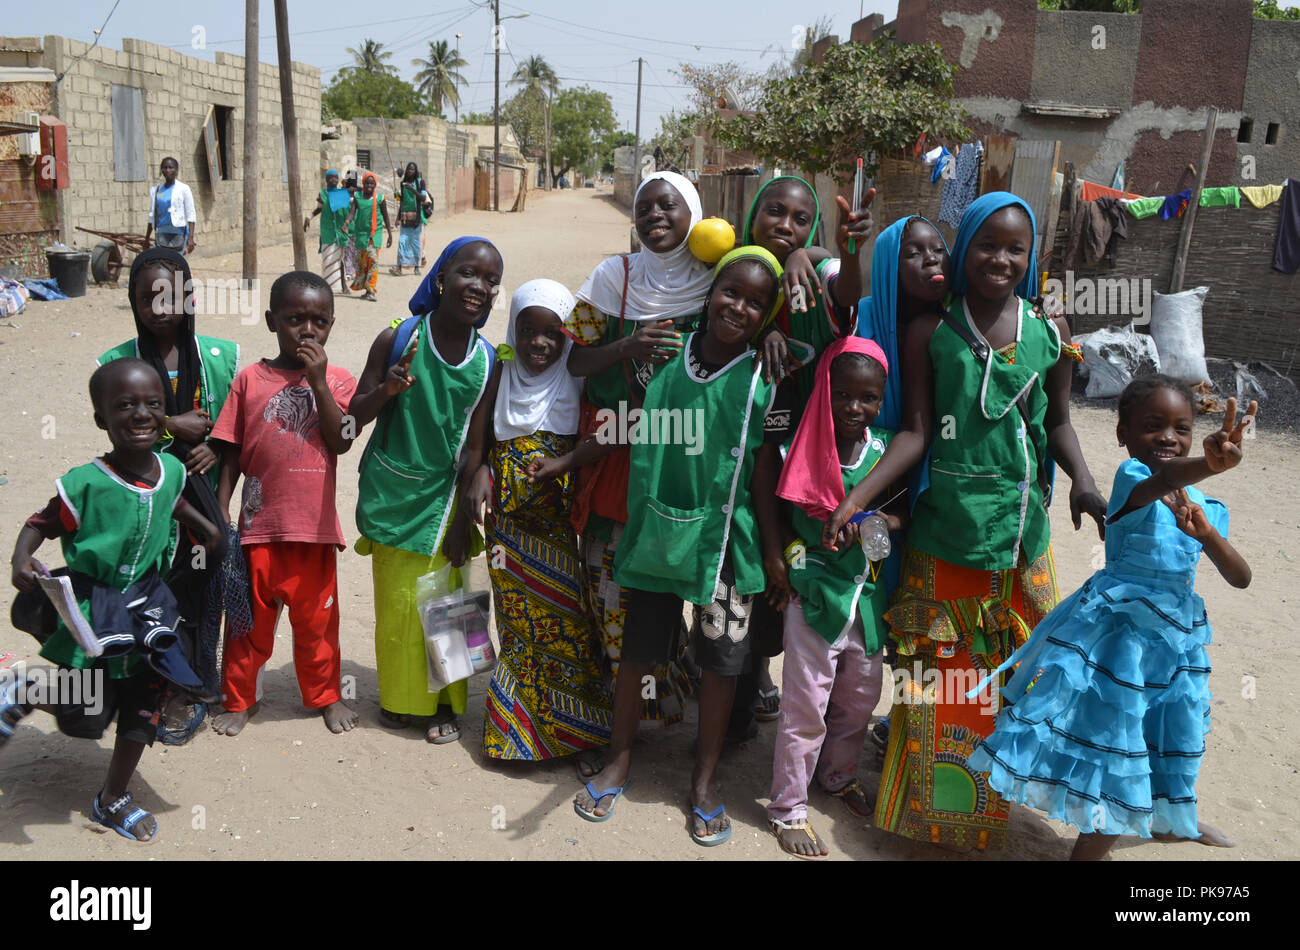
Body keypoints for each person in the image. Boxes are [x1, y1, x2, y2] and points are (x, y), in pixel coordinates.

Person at [824, 192, 1108, 852]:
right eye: (986, 245)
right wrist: (856, 497)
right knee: (935, 683)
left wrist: (1086, 484)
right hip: (946, 537)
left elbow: (1059, 421)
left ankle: (992, 813)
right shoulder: (933, 332)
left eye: (1015, 248)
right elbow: (919, 433)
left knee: (1013, 679)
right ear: (963, 251)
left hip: (1018, 541)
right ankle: (930, 818)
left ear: (1029, 254)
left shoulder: (1046, 333)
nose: (1000, 259)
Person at [969, 382, 1255, 860]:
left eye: (1181, 429)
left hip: (1174, 646)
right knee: (1114, 747)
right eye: (1151, 426)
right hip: (1117, 644)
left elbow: (1241, 577)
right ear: (1123, 434)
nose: (1167, 437)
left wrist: (1207, 534)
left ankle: (1168, 819)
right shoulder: (1131, 479)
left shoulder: (1210, 510)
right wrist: (1208, 465)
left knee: (1165, 736)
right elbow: (1160, 482)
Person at [572, 246, 785, 847]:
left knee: (721, 662)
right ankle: (620, 757)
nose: (738, 307)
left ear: (767, 317)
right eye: (729, 292)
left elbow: (765, 472)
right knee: (637, 654)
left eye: (754, 303)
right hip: (659, 534)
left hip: (725, 543)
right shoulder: (662, 356)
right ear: (710, 292)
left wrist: (771, 552)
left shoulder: (761, 378)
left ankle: (704, 777)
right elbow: (605, 392)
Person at [5, 359, 221, 841]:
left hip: (147, 604)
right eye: (124, 405)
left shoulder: (170, 469)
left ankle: (112, 798)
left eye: (153, 405)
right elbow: (41, 523)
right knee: (88, 710)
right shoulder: (87, 483)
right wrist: (22, 559)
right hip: (95, 606)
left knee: (146, 699)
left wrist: (205, 528)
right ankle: (24, 692)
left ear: (165, 414)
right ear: (101, 418)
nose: (141, 414)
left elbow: (175, 500)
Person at [561, 171, 713, 740]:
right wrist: (627, 345)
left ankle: (666, 690)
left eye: (668, 205)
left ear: (692, 213)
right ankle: (631, 716)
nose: (654, 215)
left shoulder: (715, 279)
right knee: (611, 586)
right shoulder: (612, 277)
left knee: (670, 585)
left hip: (684, 457)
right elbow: (574, 362)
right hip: (617, 456)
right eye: (645, 207)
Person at [728, 174, 873, 736]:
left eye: (800, 219)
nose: (784, 226)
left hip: (807, 464)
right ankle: (744, 693)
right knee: (754, 579)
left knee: (803, 574)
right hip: (744, 461)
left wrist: (841, 249)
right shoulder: (732, 280)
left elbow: (848, 291)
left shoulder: (812, 280)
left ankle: (812, 719)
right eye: (773, 212)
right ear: (752, 216)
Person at [349, 237, 503, 743]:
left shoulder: (486, 362)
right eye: (467, 274)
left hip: (448, 505)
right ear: (440, 278)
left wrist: (464, 519)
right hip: (396, 496)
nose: (478, 287)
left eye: (490, 281)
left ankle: (445, 706)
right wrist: (387, 390)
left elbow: (476, 449)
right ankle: (400, 703)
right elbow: (352, 421)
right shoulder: (398, 338)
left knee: (451, 608)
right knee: (398, 609)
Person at [761, 338, 902, 858]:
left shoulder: (884, 452)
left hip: (866, 599)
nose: (853, 407)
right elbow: (775, 515)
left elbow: (900, 515)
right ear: (823, 390)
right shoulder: (796, 448)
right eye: (841, 393)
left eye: (867, 397)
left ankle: (837, 775)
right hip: (813, 599)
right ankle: (788, 808)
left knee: (858, 701)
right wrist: (789, 559)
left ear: (882, 399)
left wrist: (879, 521)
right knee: (805, 706)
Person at [207, 272, 360, 737]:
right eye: (295, 319)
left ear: (332, 325)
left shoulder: (338, 380)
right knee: (246, 626)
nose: (307, 331)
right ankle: (239, 699)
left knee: (317, 627)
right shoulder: (249, 380)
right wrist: (219, 509)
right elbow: (231, 452)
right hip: (258, 531)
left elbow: (342, 440)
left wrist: (317, 383)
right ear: (273, 321)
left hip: (313, 533)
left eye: (319, 321)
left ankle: (326, 696)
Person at [467, 279, 613, 764]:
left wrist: (563, 465)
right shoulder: (500, 373)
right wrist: (485, 470)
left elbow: (609, 435)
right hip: (505, 528)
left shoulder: (578, 380)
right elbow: (482, 437)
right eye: (528, 330)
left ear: (568, 336)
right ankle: (516, 738)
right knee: (516, 628)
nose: (539, 343)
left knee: (568, 626)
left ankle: (580, 734)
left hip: (556, 530)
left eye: (552, 334)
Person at [98, 248, 240, 700]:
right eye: (147, 299)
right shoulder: (117, 362)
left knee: (205, 586)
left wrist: (214, 449)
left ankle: (197, 678)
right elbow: (115, 421)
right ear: (134, 301)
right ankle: (155, 683)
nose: (159, 309)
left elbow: (234, 429)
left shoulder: (220, 356)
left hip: (204, 498)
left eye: (170, 297)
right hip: (149, 497)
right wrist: (169, 425)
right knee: (153, 583)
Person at [344, 172, 393, 301]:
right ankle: (366, 289)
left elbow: (386, 217)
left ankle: (371, 290)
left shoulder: (380, 199)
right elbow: (352, 213)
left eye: (372, 183)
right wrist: (346, 223)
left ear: (375, 184)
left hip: (374, 235)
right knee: (363, 263)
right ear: (363, 184)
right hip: (361, 235)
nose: (369, 185)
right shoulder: (358, 197)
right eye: (367, 183)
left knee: (373, 261)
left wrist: (390, 234)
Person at [305, 169, 352, 294]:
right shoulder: (323, 194)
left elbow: (351, 208)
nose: (334, 180)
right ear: (326, 180)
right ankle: (328, 287)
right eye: (331, 178)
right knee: (328, 259)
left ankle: (343, 285)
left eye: (336, 178)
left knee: (340, 259)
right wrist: (309, 217)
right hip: (327, 231)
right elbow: (319, 209)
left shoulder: (343, 193)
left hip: (341, 230)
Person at [145, 157, 197, 255]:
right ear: (162, 170)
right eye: (165, 167)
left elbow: (191, 213)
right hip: (161, 233)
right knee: (162, 260)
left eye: (171, 167)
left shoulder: (183, 189)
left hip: (178, 232)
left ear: (176, 170)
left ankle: (179, 272)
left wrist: (191, 237)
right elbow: (152, 215)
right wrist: (146, 238)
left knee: (177, 262)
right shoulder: (156, 191)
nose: (168, 170)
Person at [390, 163, 433, 277]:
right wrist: (398, 218)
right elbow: (402, 201)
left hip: (417, 218)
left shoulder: (420, 183)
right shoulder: (402, 184)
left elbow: (423, 198)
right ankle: (399, 268)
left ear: (416, 171)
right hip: (405, 217)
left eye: (412, 169)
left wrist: (413, 189)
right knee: (402, 242)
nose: (410, 171)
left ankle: (416, 267)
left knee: (416, 243)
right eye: (408, 169)